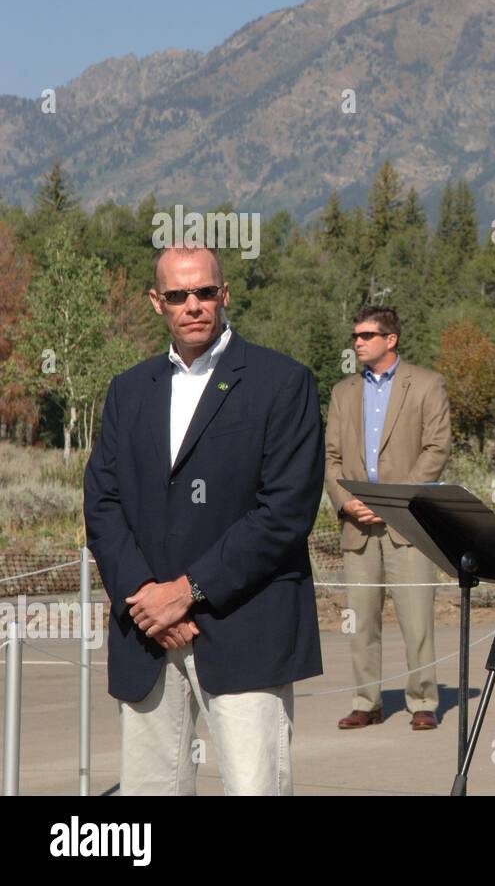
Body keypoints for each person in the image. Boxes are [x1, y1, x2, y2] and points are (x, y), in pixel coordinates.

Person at [84, 244, 324, 796]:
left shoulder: (282, 383)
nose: (193, 305)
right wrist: (147, 595)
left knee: (254, 788)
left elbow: (284, 513)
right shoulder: (127, 391)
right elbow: (102, 502)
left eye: (204, 292)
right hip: (147, 633)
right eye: (177, 295)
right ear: (156, 302)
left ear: (225, 295)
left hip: (246, 629)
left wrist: (187, 591)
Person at [325, 306, 452, 730]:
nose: (357, 342)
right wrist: (345, 501)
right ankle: (368, 701)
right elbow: (333, 458)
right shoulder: (343, 392)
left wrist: (393, 500)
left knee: (417, 620)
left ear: (390, 339)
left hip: (409, 524)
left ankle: (422, 703)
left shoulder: (428, 384)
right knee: (361, 622)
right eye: (356, 335)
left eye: (366, 335)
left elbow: (437, 448)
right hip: (357, 526)